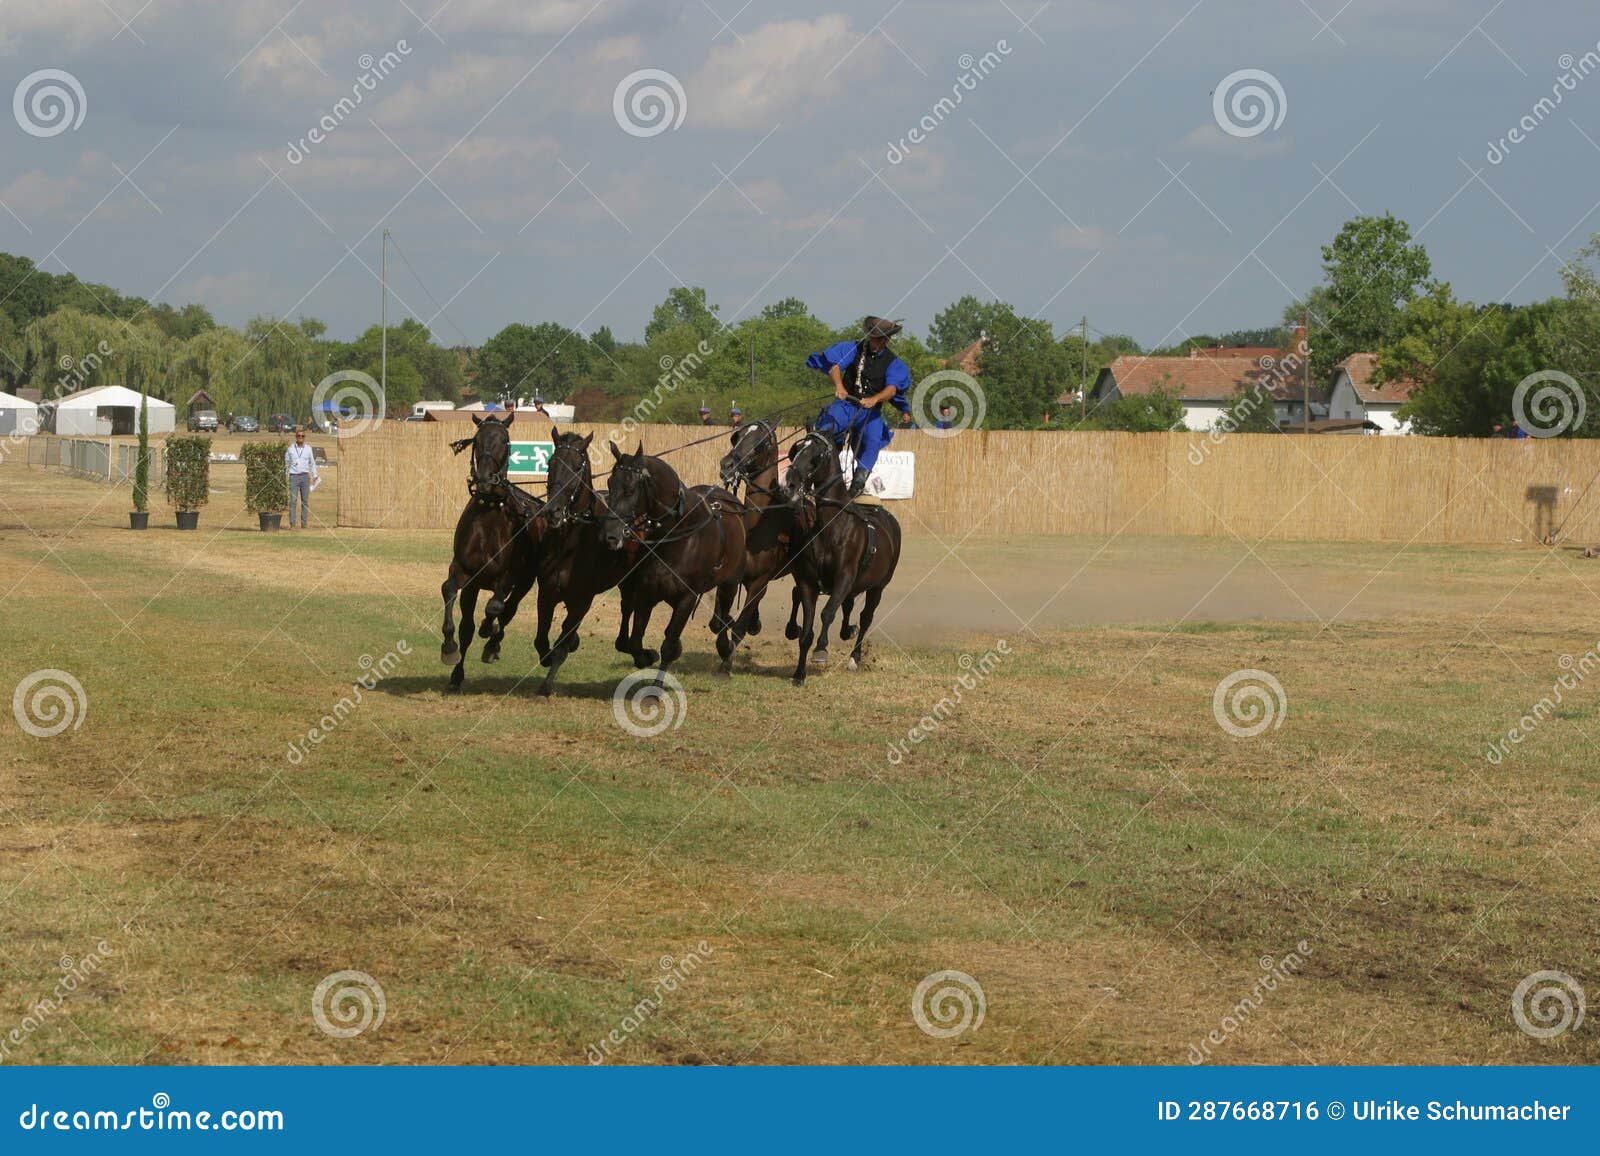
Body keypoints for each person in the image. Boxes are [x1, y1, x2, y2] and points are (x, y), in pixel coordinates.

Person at [805, 316, 913, 497]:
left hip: (870, 412)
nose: (873, 342)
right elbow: (835, 367)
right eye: (872, 337)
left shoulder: (893, 362)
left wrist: (875, 399)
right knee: (825, 427)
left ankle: (858, 482)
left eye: (878, 339)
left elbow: (892, 390)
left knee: (873, 439)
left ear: (886, 340)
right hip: (846, 405)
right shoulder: (852, 348)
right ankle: (810, 473)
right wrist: (839, 386)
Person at [285, 427, 319, 528]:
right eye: (299, 436)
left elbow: (312, 463)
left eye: (302, 436)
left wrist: (315, 475)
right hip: (294, 477)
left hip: (305, 477)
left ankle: (304, 523)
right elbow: (286, 463)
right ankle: (292, 524)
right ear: (296, 437)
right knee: (293, 501)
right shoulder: (290, 448)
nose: (301, 437)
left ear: (304, 438)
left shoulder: (308, 449)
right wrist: (285, 475)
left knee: (305, 501)